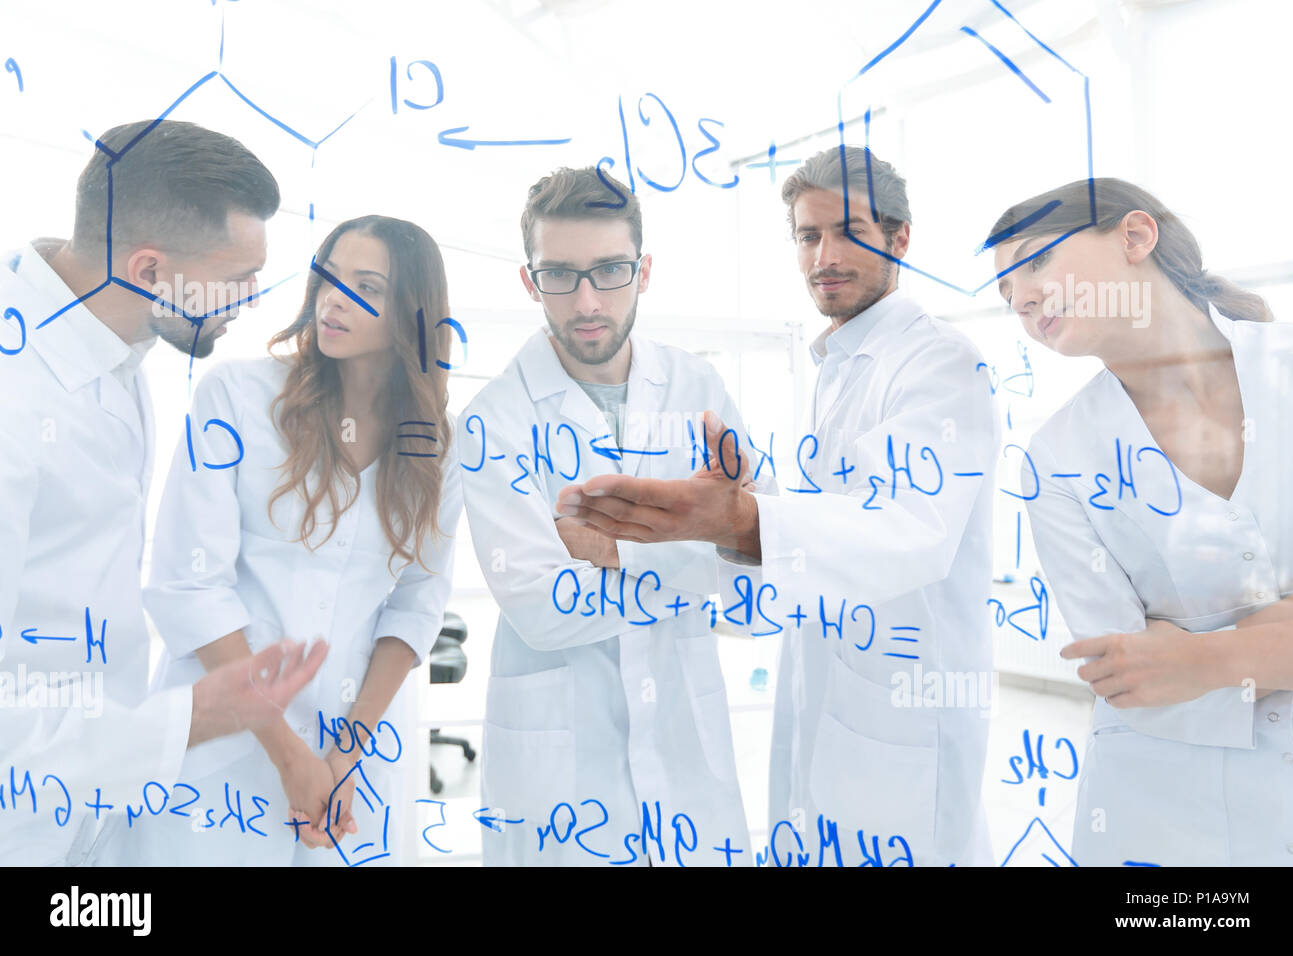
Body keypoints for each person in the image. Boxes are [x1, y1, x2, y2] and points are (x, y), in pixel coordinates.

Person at [556, 146, 1001, 866]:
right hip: (833, 694)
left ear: (900, 237)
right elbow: (831, 522)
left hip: (907, 717)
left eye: (848, 231)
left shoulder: (938, 363)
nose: (825, 254)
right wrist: (745, 503)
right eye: (807, 234)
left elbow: (908, 532)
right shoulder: (841, 367)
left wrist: (741, 519)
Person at [0, 119, 327, 866]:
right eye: (238, 277)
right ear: (149, 269)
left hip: (87, 817)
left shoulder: (111, 335)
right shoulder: (13, 408)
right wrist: (191, 717)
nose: (251, 298)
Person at [99, 216, 461, 866]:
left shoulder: (439, 445)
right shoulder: (237, 398)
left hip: (352, 756)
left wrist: (344, 756)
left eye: (365, 285)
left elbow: (417, 603)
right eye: (329, 277)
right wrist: (291, 755)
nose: (333, 299)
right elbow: (188, 584)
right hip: (223, 743)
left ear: (411, 311)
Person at [458, 166, 769, 866]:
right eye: (561, 275)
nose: (588, 300)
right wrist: (705, 536)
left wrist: (616, 550)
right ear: (530, 281)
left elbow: (762, 564)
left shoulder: (699, 388)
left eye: (610, 270)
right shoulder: (493, 421)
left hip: (686, 743)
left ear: (646, 270)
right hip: (563, 767)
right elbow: (544, 608)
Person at [989, 176, 1293, 866]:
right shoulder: (1057, 456)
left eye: (1035, 262)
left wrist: (1200, 655)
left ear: (1135, 237)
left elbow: (1167, 663)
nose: (1022, 298)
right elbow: (1130, 675)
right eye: (1007, 296)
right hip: (1160, 816)